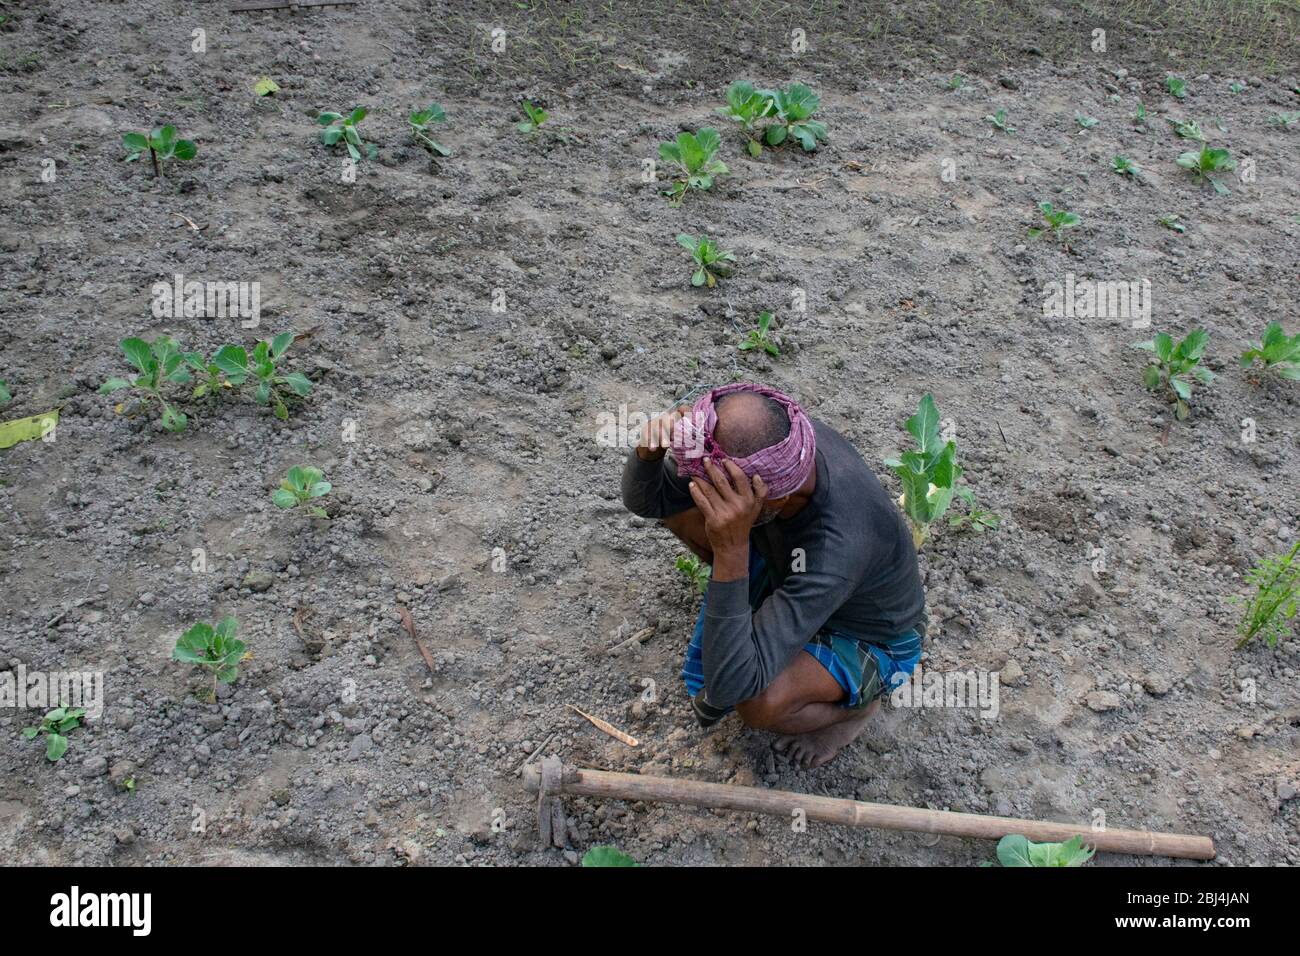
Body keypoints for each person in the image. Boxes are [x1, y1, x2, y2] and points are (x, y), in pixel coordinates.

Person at [621, 383, 928, 767]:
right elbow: (653, 501)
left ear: (775, 496)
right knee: (685, 510)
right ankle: (754, 599)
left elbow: (730, 684)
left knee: (760, 702)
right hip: (790, 567)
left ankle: (855, 712)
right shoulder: (776, 446)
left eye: (719, 490)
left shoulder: (841, 542)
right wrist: (647, 457)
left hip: (868, 633)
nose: (702, 489)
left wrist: (731, 551)